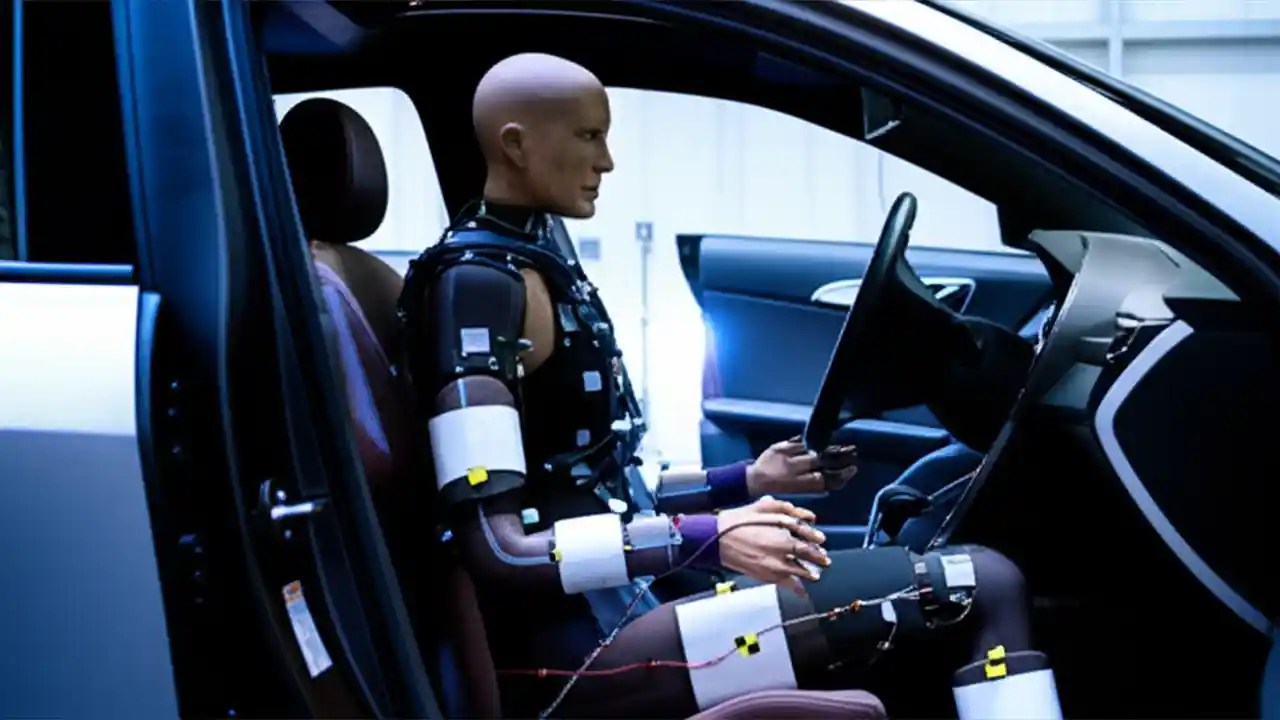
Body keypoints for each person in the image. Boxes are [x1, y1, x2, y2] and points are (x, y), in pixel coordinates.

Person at [396, 52, 1063, 719]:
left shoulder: (537, 256)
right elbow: (500, 549)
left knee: (939, 593)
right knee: (981, 583)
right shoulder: (478, 288)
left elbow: (598, 488)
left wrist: (748, 480)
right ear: (516, 145)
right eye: (589, 136)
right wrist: (708, 534)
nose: (607, 161)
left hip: (628, 608)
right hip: (580, 660)